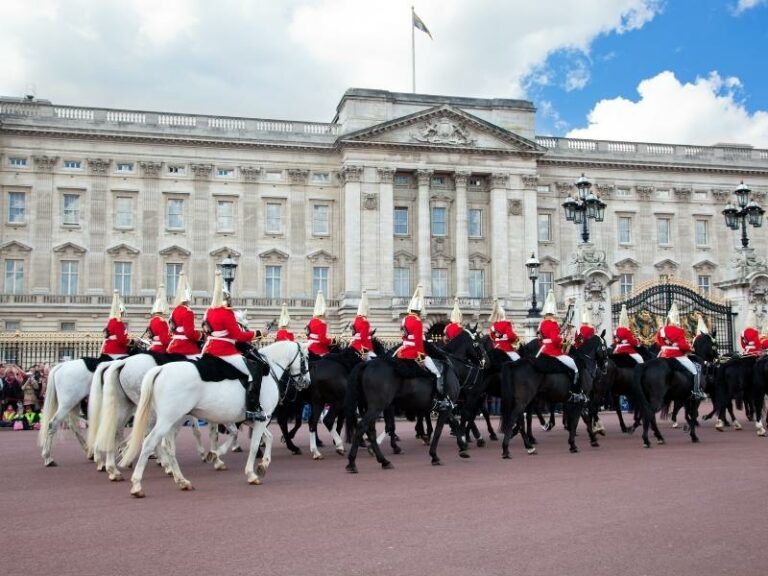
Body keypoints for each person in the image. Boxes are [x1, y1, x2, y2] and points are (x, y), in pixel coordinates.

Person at [202, 271, 265, 421]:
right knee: (255, 370)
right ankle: (252, 408)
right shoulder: (227, 313)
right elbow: (239, 336)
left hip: (208, 350)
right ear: (227, 300)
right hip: (225, 352)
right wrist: (258, 333)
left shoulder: (208, 312)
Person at [396, 284, 449, 409]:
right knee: (436, 372)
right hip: (413, 351)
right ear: (419, 310)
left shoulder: (404, 320)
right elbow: (419, 342)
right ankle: (439, 398)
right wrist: (420, 358)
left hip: (403, 350)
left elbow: (404, 336)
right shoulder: (417, 321)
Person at [537, 290, 582, 402]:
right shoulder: (553, 323)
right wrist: (563, 340)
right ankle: (575, 392)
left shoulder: (541, 324)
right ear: (553, 313)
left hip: (543, 350)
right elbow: (555, 339)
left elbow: (540, 338)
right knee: (575, 367)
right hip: (553, 351)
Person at [657, 302, 705, 399]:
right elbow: (683, 346)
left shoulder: (661, 330)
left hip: (663, 355)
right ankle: (696, 391)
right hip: (677, 355)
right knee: (695, 370)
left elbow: (659, 343)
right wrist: (690, 348)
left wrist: (667, 345)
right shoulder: (679, 330)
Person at [167, 273, 202, 358]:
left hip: (173, 345)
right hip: (185, 346)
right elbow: (189, 333)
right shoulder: (188, 312)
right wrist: (200, 335)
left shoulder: (175, 311)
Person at [101, 290, 130, 359]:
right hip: (117, 351)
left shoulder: (111, 321)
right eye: (122, 313)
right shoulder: (118, 322)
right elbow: (121, 340)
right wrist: (130, 342)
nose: (122, 315)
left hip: (108, 349)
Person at [306, 290, 332, 359]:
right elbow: (322, 339)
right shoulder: (322, 323)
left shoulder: (311, 321)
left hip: (309, 347)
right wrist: (331, 341)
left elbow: (308, 335)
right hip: (319, 349)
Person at [351, 290, 376, 360]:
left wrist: (370, 333)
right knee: (373, 361)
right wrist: (367, 349)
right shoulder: (365, 322)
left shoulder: (356, 320)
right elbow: (363, 337)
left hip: (354, 345)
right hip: (363, 347)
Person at [147, 283, 171, 353]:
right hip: (160, 349)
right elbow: (164, 340)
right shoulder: (162, 321)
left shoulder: (152, 320)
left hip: (153, 346)